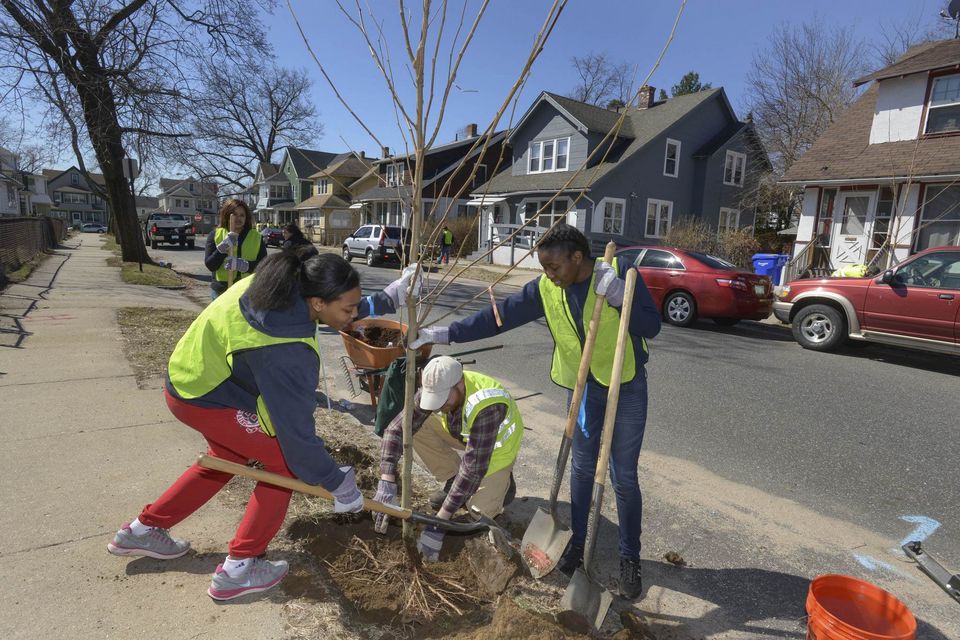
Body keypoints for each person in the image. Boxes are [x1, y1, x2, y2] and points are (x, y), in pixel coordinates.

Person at [106, 248, 422, 601]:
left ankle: (143, 530)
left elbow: (336, 305)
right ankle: (240, 567)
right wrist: (337, 482)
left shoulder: (278, 284)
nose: (353, 317)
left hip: (191, 376)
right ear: (317, 303)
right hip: (204, 398)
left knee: (227, 458)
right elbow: (296, 441)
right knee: (283, 464)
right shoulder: (285, 351)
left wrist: (387, 298)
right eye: (349, 310)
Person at [412, 224, 660, 598]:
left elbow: (650, 325)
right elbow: (500, 316)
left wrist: (617, 296)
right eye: (544, 267)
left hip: (625, 385)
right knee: (580, 468)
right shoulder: (546, 288)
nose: (549, 274)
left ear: (577, 257)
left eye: (554, 267)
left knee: (622, 476)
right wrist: (444, 334)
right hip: (583, 388)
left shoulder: (619, 273)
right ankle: (577, 544)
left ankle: (629, 557)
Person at [372, 356, 522, 562]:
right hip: (465, 434)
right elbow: (396, 429)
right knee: (414, 427)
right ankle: (453, 478)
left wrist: (439, 523)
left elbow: (472, 469)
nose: (439, 406)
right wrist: (387, 481)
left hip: (494, 452)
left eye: (444, 400)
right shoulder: (436, 386)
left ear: (459, 384)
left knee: (479, 512)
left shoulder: (488, 405)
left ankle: (503, 486)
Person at [204, 199, 267, 300]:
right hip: (221, 292)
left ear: (246, 218)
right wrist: (223, 248)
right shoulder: (215, 235)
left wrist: (245, 265)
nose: (238, 218)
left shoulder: (256, 237)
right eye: (234, 214)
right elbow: (210, 265)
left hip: (246, 292)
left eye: (242, 215)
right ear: (227, 215)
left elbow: (264, 266)